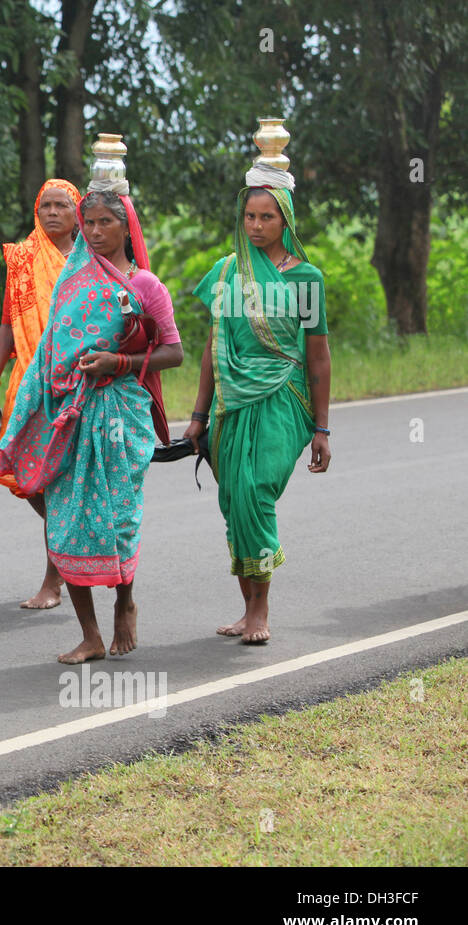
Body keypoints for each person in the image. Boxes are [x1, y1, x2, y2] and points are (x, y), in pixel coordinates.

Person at [0, 184, 183, 665]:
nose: (96, 232)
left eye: (106, 223)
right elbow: (51, 349)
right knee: (65, 518)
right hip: (67, 413)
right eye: (91, 222)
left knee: (118, 517)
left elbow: (173, 352)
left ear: (127, 227)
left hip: (119, 413)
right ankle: (90, 634)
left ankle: (124, 605)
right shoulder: (72, 280)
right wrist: (30, 407)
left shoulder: (144, 285)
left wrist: (118, 362)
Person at [184, 157, 330, 646]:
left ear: (286, 219)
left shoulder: (306, 278)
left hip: (283, 399)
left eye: (268, 217)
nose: (257, 225)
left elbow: (318, 357)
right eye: (250, 216)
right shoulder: (230, 271)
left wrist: (322, 429)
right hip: (231, 404)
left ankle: (262, 610)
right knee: (233, 499)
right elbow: (213, 347)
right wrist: (199, 415)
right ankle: (246, 609)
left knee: (257, 492)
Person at [0, 178, 82, 610]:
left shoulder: (90, 257)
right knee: (32, 480)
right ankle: (70, 549)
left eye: (62, 205)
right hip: (27, 381)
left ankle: (54, 577)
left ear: (76, 212)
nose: (52, 212)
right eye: (45, 205)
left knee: (59, 481)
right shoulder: (23, 258)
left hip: (75, 382)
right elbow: (10, 320)